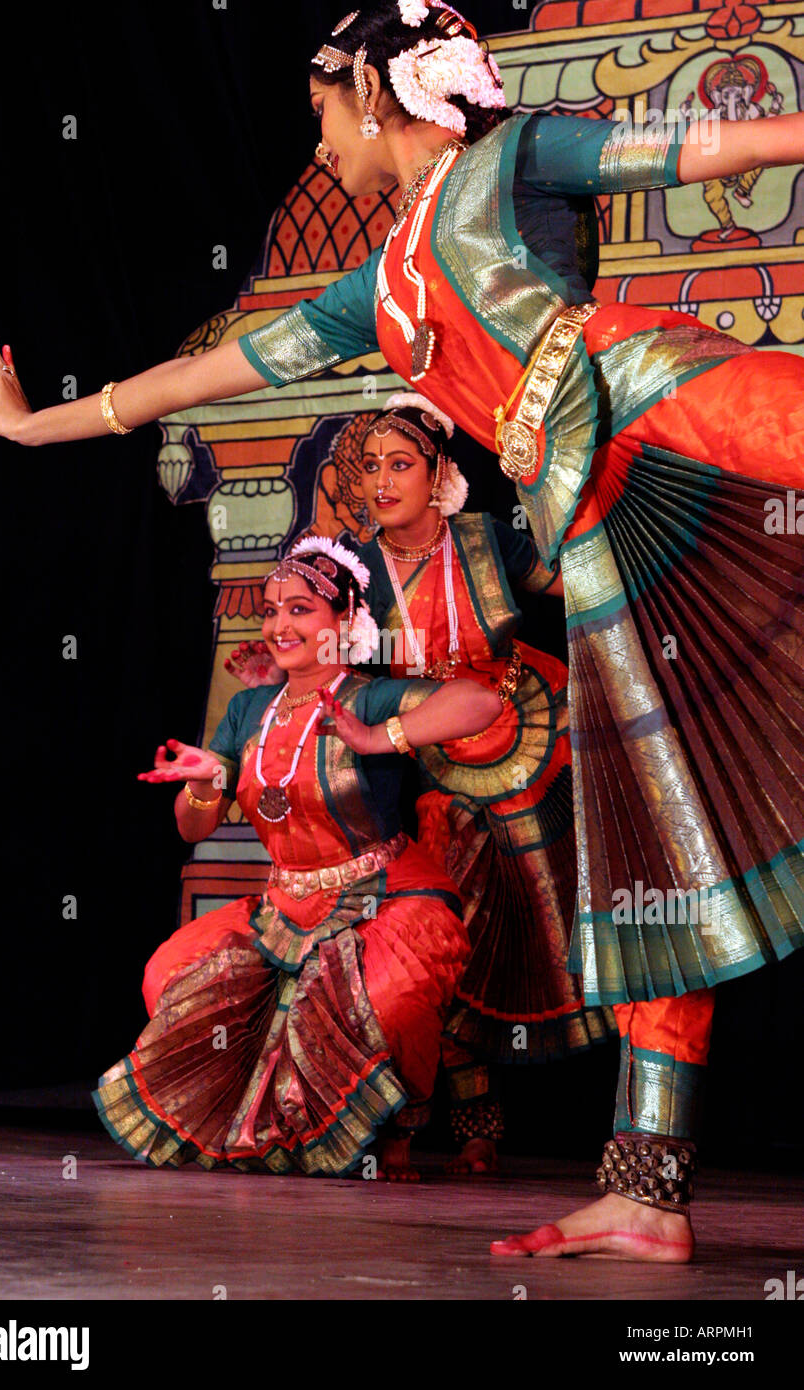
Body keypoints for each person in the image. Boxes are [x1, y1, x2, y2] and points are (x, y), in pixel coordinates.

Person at [0, 2, 804, 1259]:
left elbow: (711, 152)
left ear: (371, 88)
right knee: (655, 841)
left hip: (643, 401)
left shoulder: (510, 163)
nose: (315, 150)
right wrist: (37, 430)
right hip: (596, 518)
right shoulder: (374, 291)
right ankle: (645, 1186)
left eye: (317, 116)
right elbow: (210, 374)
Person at [228, 390, 616, 1176]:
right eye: (369, 466)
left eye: (400, 464)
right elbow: (322, 641)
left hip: (532, 749)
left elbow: (589, 586)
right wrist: (281, 669)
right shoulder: (357, 568)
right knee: (444, 948)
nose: (381, 481)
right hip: (421, 765)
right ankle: (435, 1118)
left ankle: (573, 1123)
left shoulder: (488, 544)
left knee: (545, 937)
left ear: (438, 474)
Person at [93, 537, 502, 1178]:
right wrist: (204, 781)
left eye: (302, 609)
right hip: (284, 902)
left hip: (384, 895)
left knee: (388, 999)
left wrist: (377, 737)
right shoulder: (249, 710)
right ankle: (279, 1127)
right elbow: (191, 830)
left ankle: (396, 1126)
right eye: (272, 609)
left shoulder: (369, 697)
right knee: (168, 976)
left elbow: (481, 702)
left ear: (346, 622)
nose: (281, 625)